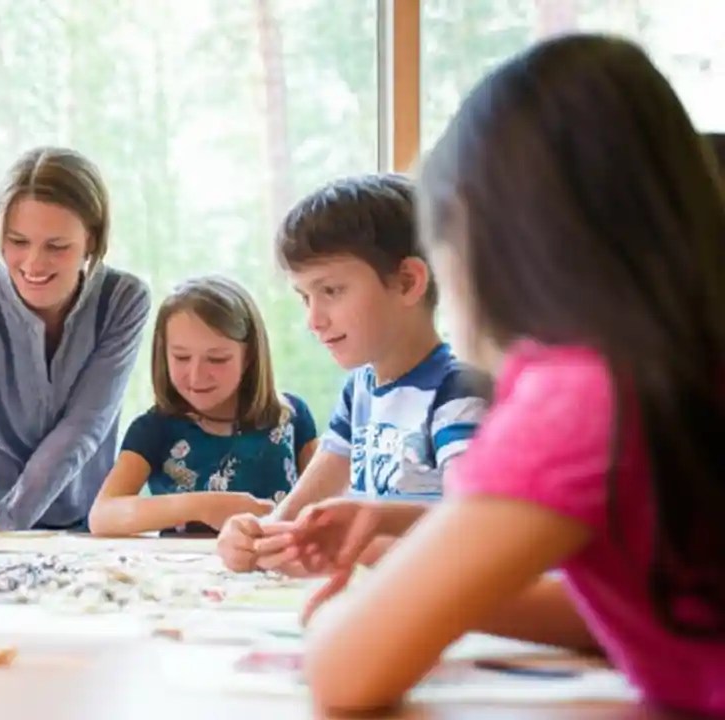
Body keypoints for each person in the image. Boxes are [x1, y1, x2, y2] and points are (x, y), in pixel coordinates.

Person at [295, 35, 725, 716]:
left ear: (483, 242)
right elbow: (630, 615)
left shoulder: (580, 392)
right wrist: (415, 577)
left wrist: (342, 614)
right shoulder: (680, 360)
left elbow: (343, 674)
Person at [215, 174, 489, 573]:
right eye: (305, 297)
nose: (313, 319)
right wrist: (253, 536)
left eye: (331, 291)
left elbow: (474, 519)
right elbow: (292, 513)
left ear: (409, 282)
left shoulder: (458, 392)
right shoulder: (359, 390)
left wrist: (367, 529)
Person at [0, 147, 151, 531]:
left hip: (82, 524)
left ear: (91, 240)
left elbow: (83, 428)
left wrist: (5, 526)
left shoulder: (123, 301)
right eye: (18, 241)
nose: (33, 264)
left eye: (56, 247)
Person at [88, 276, 317, 536]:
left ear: (250, 356)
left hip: (274, 569)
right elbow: (103, 517)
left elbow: (327, 507)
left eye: (217, 359)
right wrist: (202, 505)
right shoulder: (154, 428)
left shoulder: (292, 416)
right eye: (181, 357)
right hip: (184, 573)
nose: (196, 375)